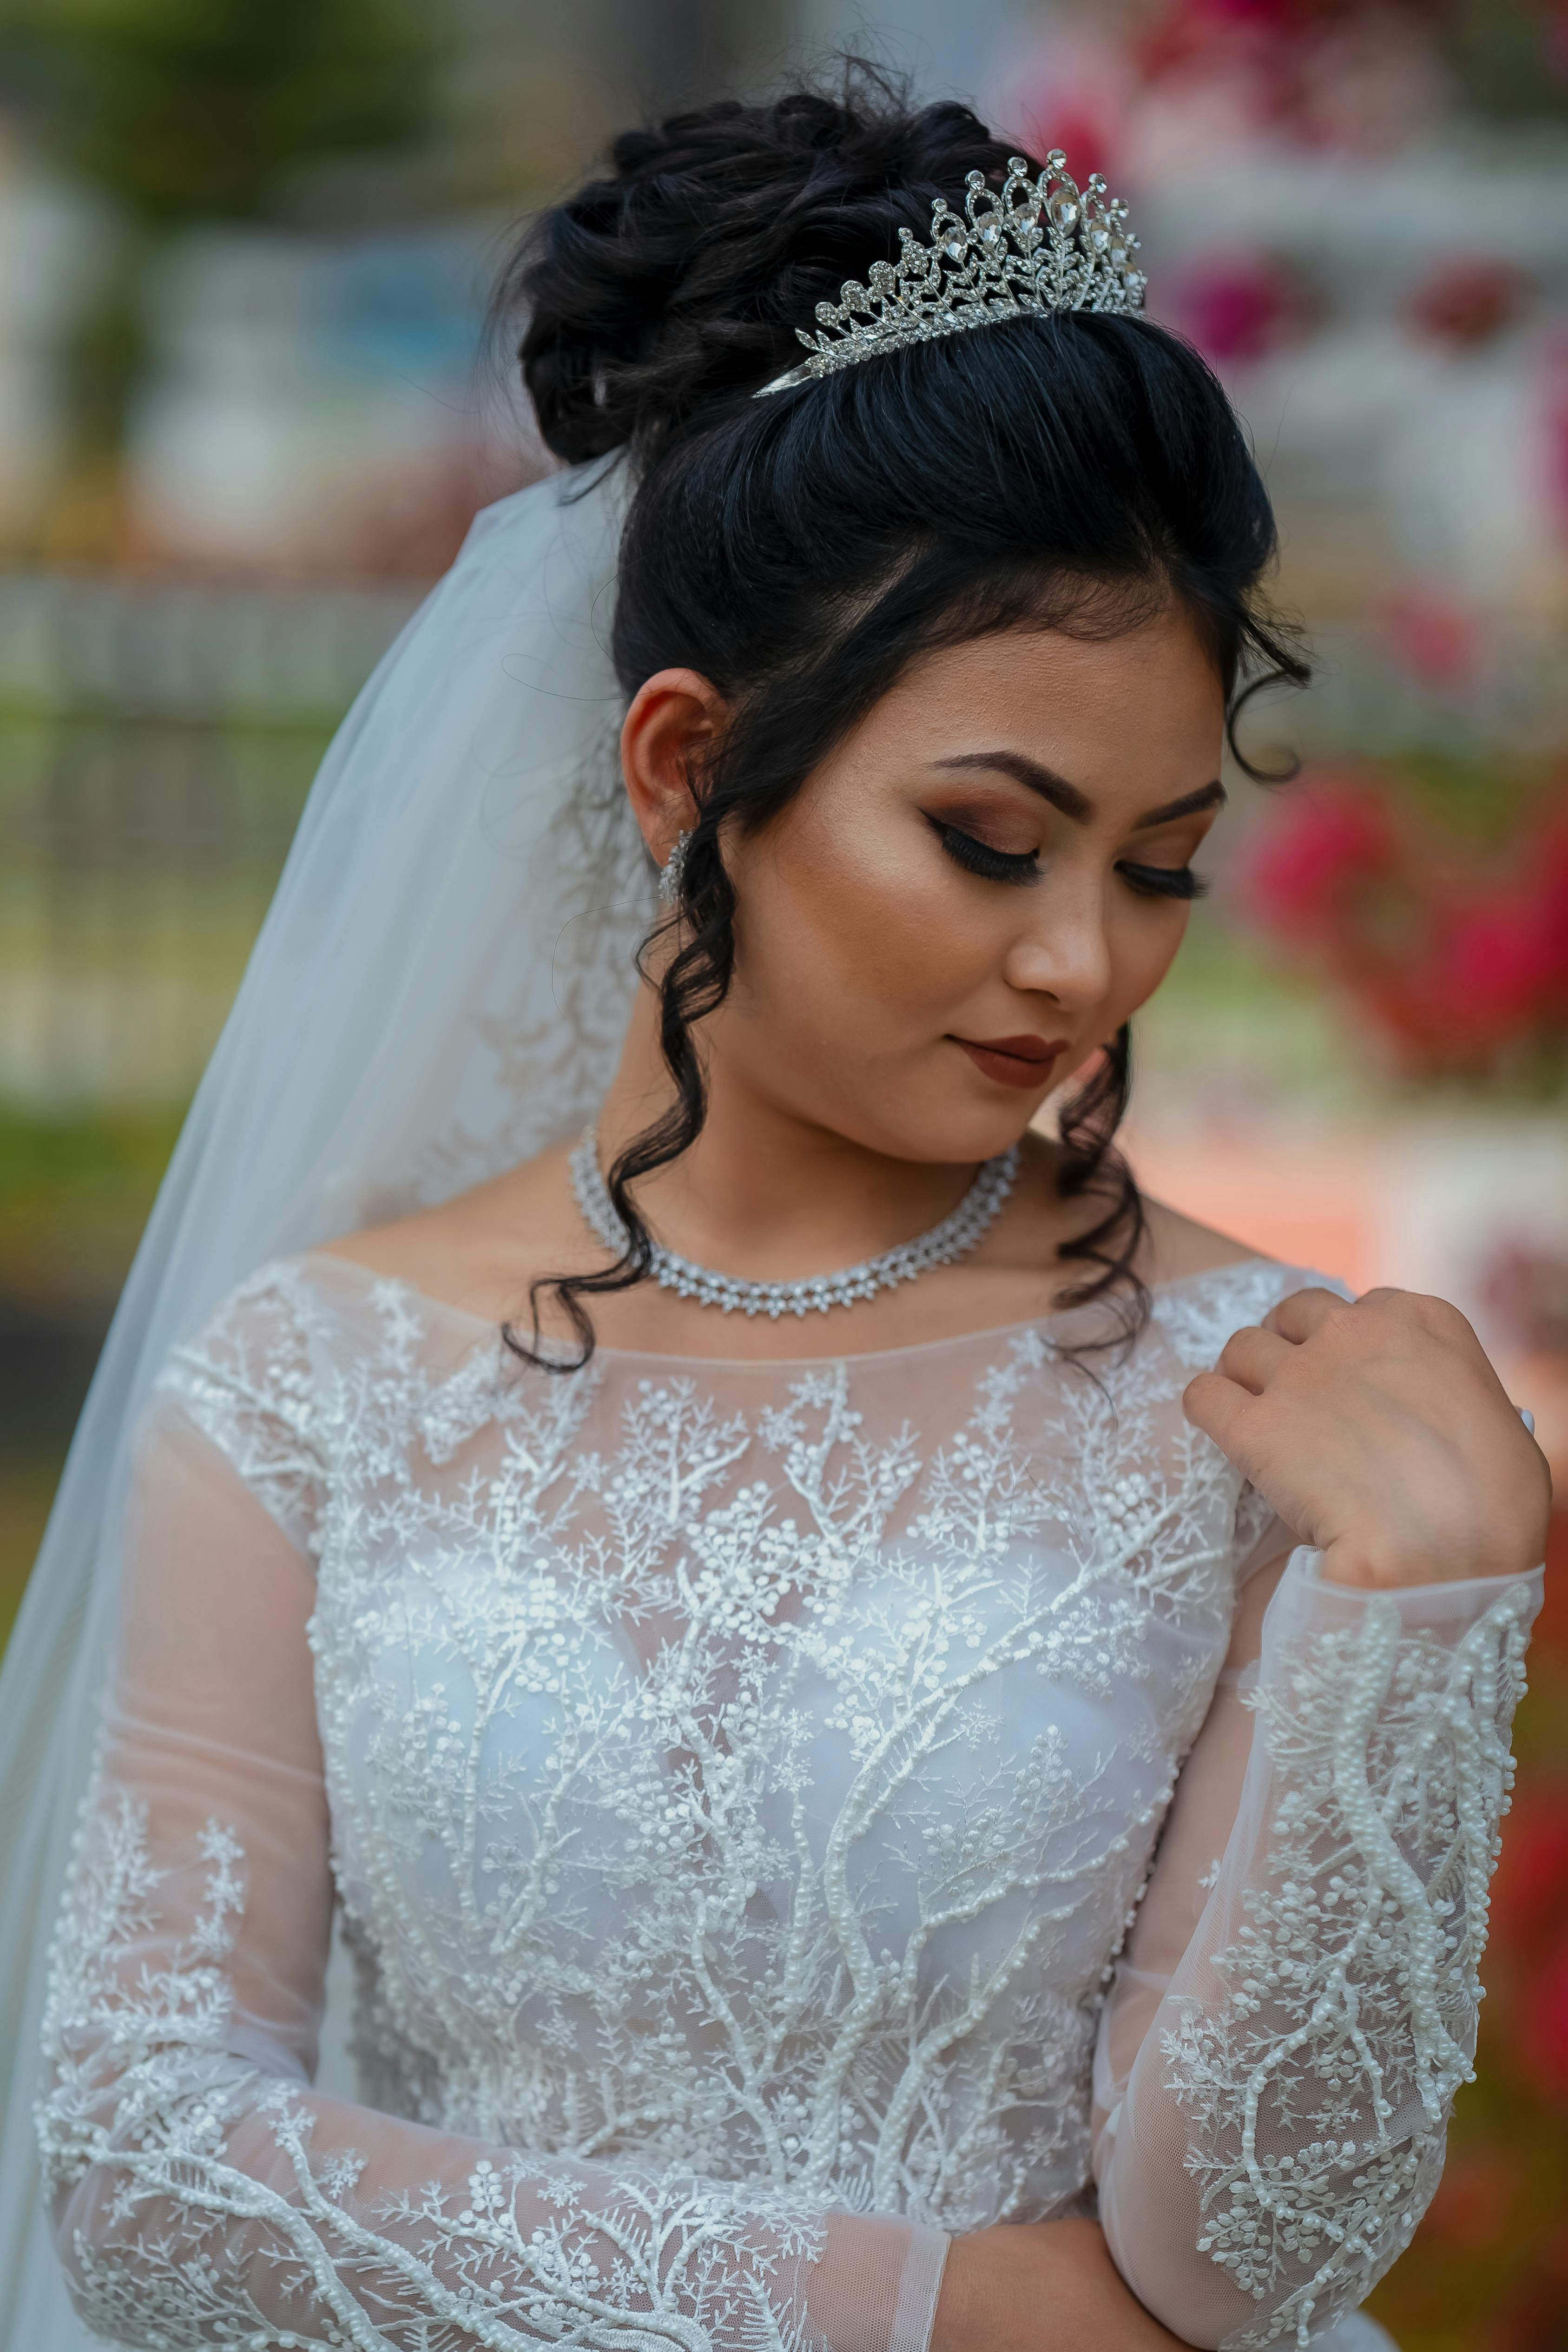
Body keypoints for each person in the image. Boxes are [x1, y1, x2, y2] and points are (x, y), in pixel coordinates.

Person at [9, 73, 1549, 2352]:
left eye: (1156, 871)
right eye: (993, 843)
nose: (1084, 967)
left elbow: (1258, 2257)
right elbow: (144, 2166)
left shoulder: (1265, 1409)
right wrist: (932, 2311)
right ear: (684, 768)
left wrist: (1426, 1617)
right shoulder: (309, 1385)